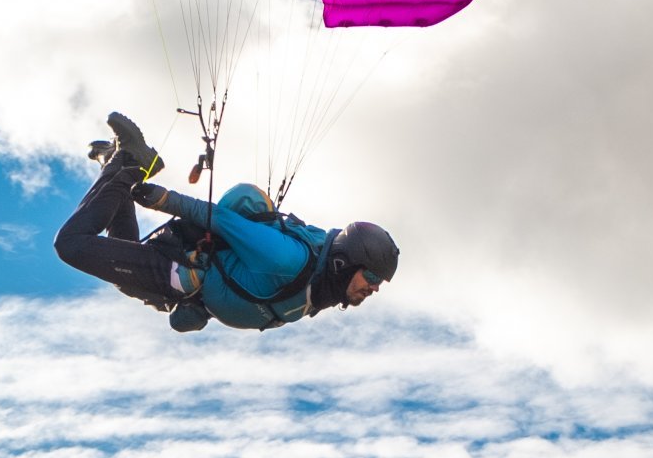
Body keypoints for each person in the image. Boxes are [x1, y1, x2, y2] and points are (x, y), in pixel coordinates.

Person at [53, 112, 398, 332]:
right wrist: (165, 200)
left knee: (122, 256)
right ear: (343, 262)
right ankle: (129, 164)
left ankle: (117, 165)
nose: (374, 288)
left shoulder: (316, 291)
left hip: (180, 285)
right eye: (371, 276)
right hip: (177, 271)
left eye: (378, 282)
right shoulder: (289, 260)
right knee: (71, 245)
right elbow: (221, 220)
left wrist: (203, 310)